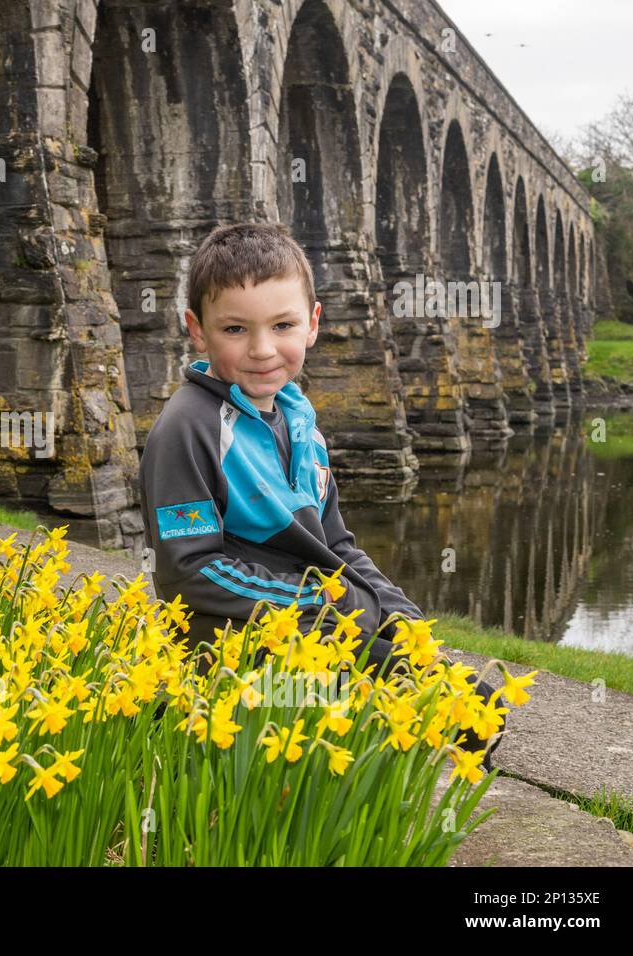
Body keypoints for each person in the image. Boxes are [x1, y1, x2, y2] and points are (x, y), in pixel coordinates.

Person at [137, 222, 502, 767]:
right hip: (231, 640)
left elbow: (336, 543)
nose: (262, 350)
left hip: (311, 623)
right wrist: (322, 601)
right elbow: (189, 571)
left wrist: (397, 610)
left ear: (312, 324)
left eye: (281, 325)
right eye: (235, 329)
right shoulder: (186, 428)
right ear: (197, 330)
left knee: (469, 695)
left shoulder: (298, 417)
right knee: (419, 692)